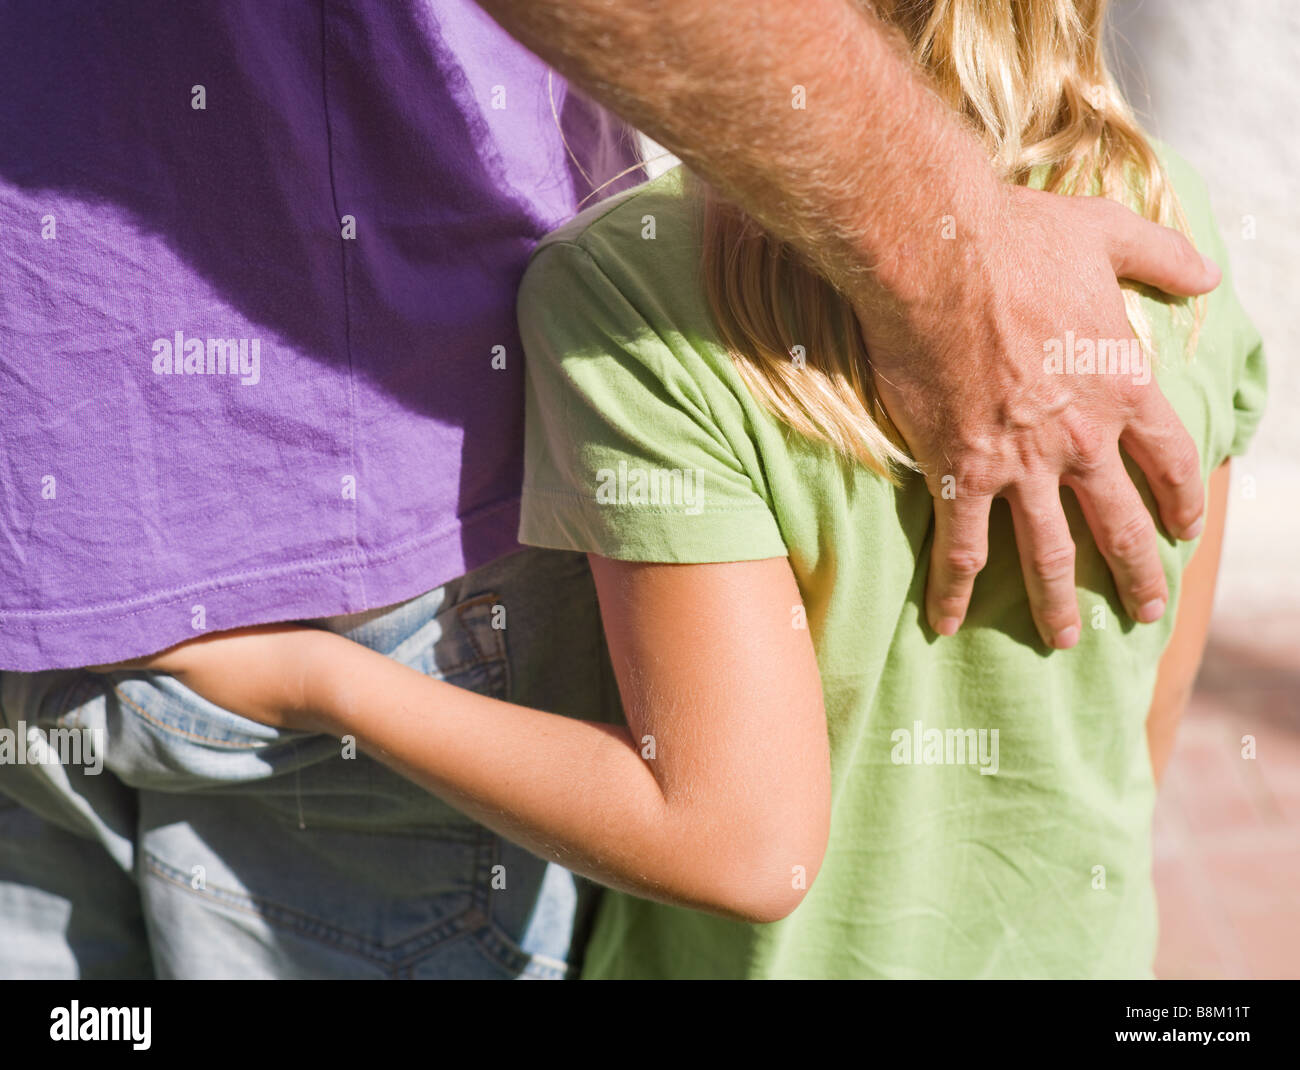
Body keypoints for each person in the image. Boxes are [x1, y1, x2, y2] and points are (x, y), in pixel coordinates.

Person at [0, 0, 1221, 978]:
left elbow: (741, 845)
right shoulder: (1177, 259)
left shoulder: (632, 299)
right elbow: (1143, 733)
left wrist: (319, 678)